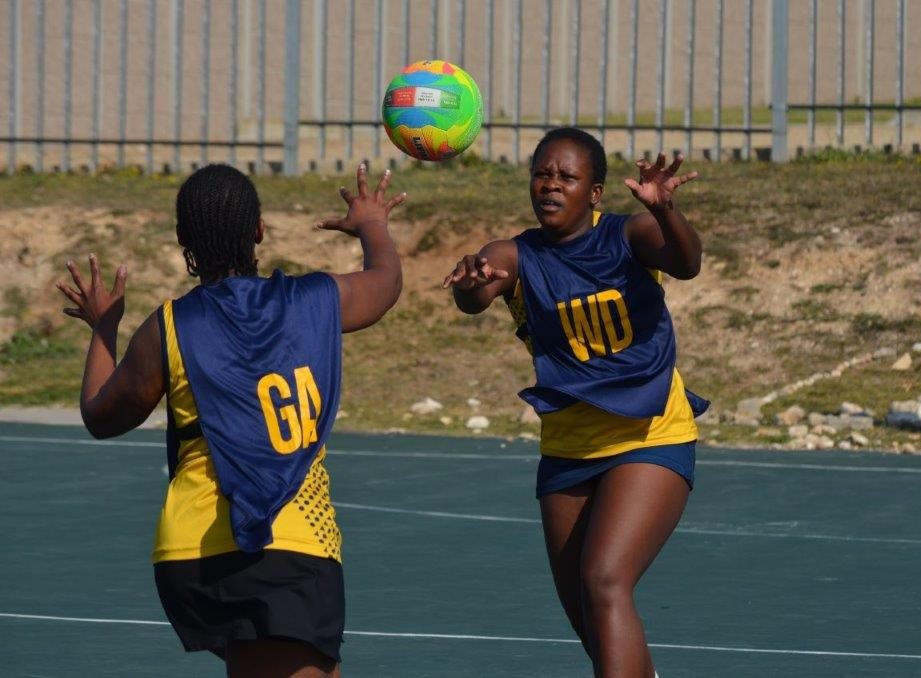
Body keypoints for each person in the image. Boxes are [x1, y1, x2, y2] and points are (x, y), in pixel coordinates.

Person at [56, 162, 405, 677]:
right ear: (259, 231)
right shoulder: (315, 301)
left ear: (183, 239)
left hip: (189, 552)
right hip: (274, 547)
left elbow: (100, 415)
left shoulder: (167, 327)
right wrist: (372, 223)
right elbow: (386, 282)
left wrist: (104, 329)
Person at [442, 127, 706, 678]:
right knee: (591, 617)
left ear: (595, 193)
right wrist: (469, 281)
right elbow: (477, 292)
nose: (551, 185)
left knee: (605, 579)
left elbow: (686, 263)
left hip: (649, 434)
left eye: (567, 176)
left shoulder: (628, 234)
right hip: (568, 449)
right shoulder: (517, 255)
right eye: (542, 174)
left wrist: (665, 211)